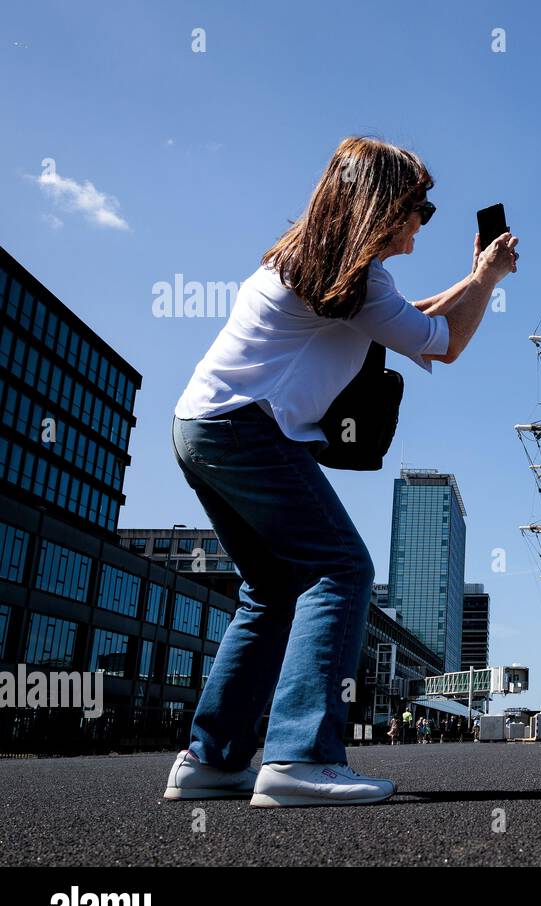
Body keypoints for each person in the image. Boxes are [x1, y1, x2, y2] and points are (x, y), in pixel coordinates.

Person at [162, 136, 519, 807]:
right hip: (245, 431)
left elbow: (410, 322)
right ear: (385, 207)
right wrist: (489, 279)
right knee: (343, 568)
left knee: (270, 591)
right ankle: (301, 759)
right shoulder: (356, 280)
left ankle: (212, 761)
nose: (423, 220)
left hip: (200, 427)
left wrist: (473, 279)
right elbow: (443, 344)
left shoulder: (320, 264)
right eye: (420, 207)